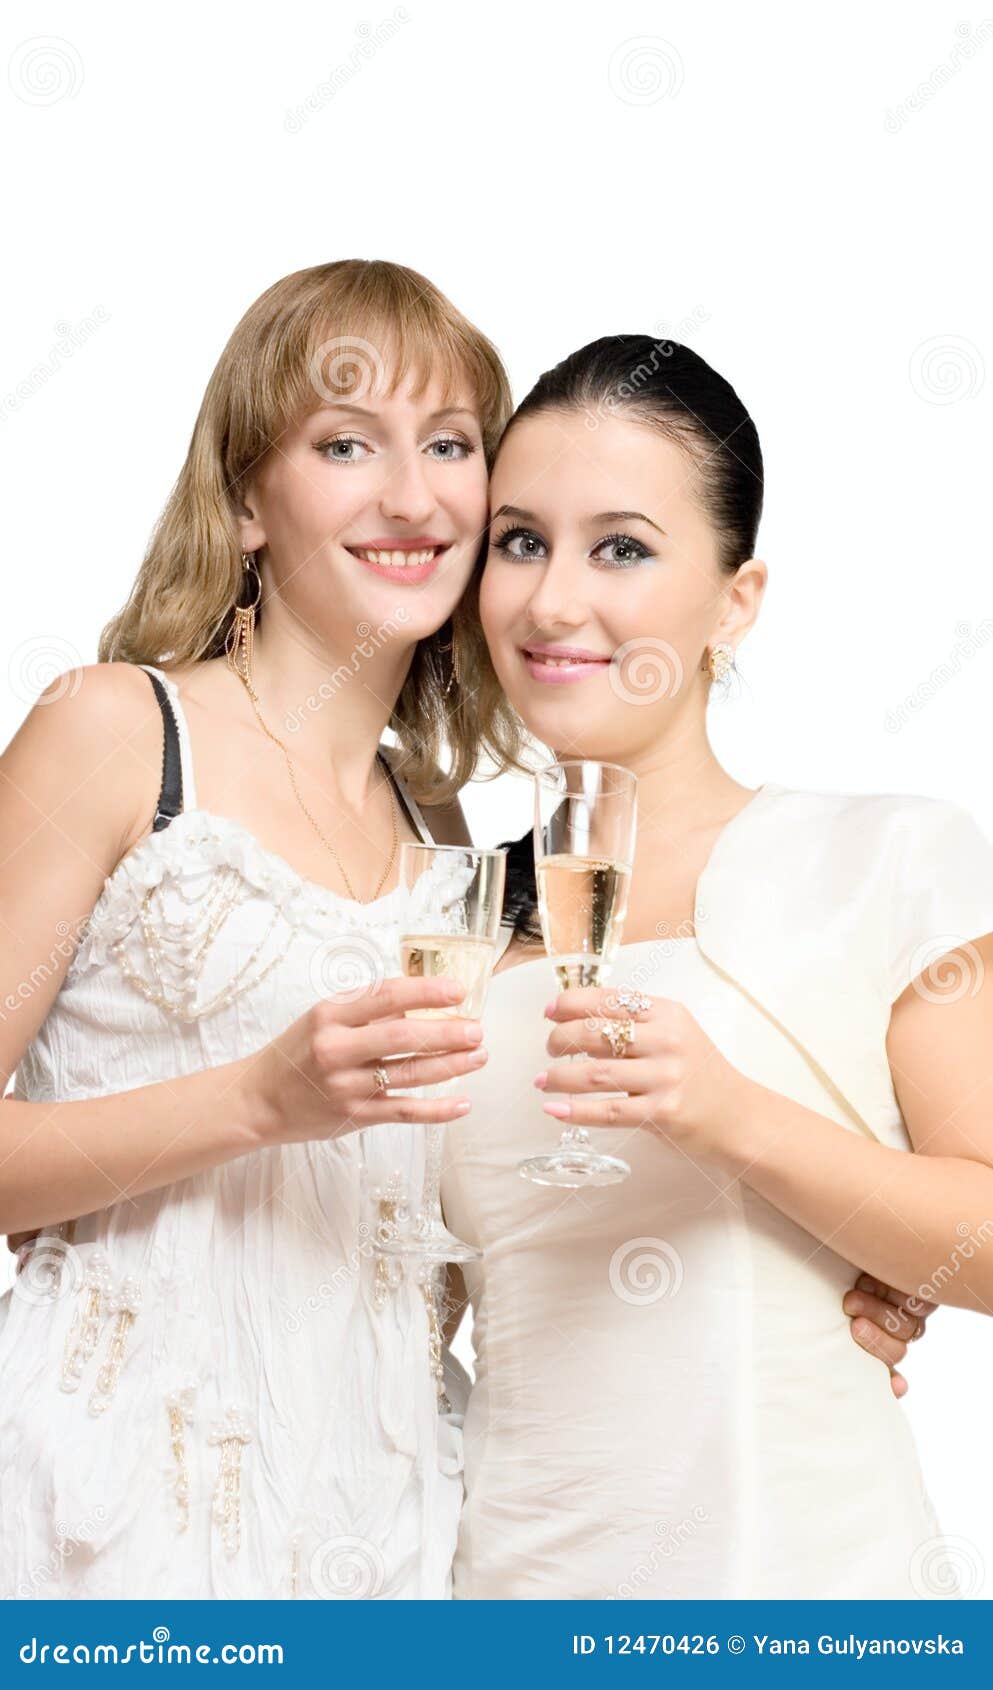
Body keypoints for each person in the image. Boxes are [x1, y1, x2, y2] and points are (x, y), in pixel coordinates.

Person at [441, 335, 993, 1599]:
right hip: (513, 1614)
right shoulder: (444, 918)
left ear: (735, 599)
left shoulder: (887, 857)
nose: (551, 600)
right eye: (519, 540)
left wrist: (740, 1124)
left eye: (621, 547)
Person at [0, 258, 519, 1599]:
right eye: (347, 443)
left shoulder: (447, 842)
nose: (411, 495)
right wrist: (254, 1097)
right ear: (244, 501)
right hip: (103, 1512)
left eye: (450, 444)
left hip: (380, 1529)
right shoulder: (114, 731)